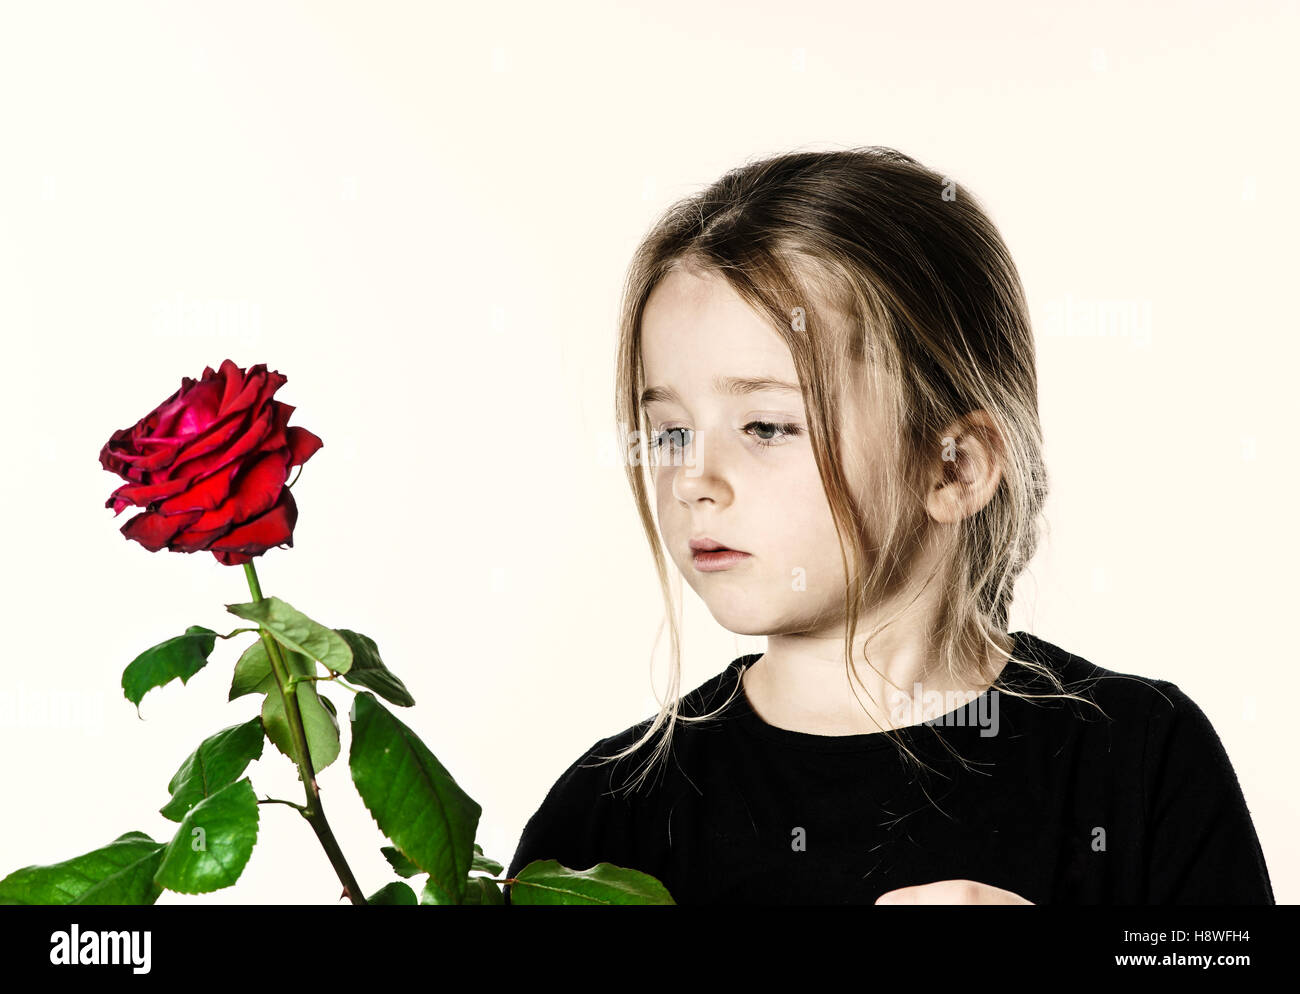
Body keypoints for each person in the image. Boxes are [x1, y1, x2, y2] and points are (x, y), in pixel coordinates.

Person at [504, 147, 1274, 905]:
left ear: (954, 467)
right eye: (669, 433)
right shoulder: (605, 823)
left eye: (767, 427)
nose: (694, 482)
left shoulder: (1140, 759)